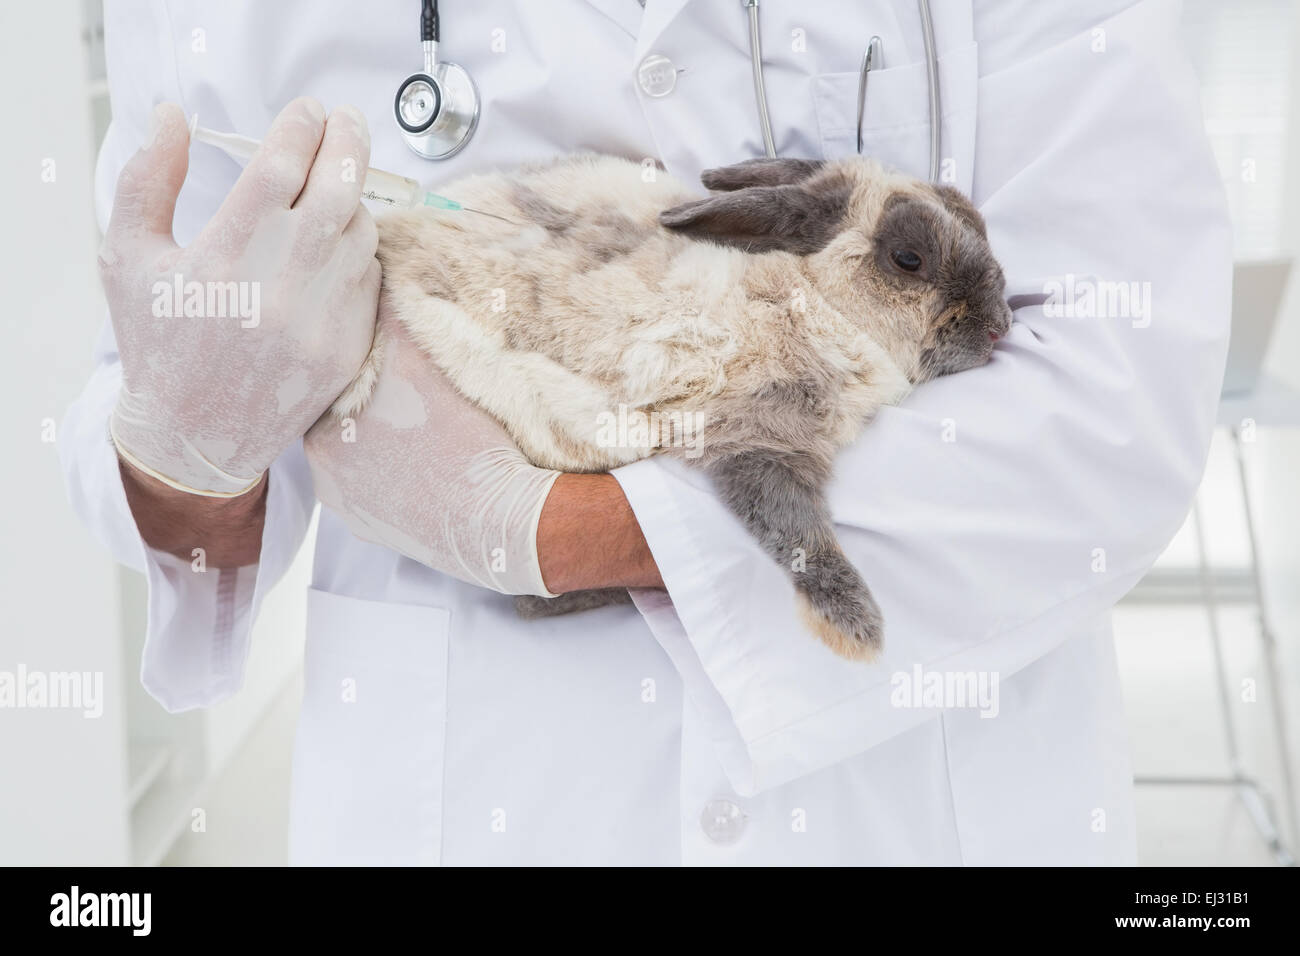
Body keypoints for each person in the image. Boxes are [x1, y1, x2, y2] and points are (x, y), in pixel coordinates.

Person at [62, 0, 1231, 865]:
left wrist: (559, 531)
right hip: (485, 800)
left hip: (910, 797)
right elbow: (161, 432)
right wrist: (189, 452)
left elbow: (1118, 375)